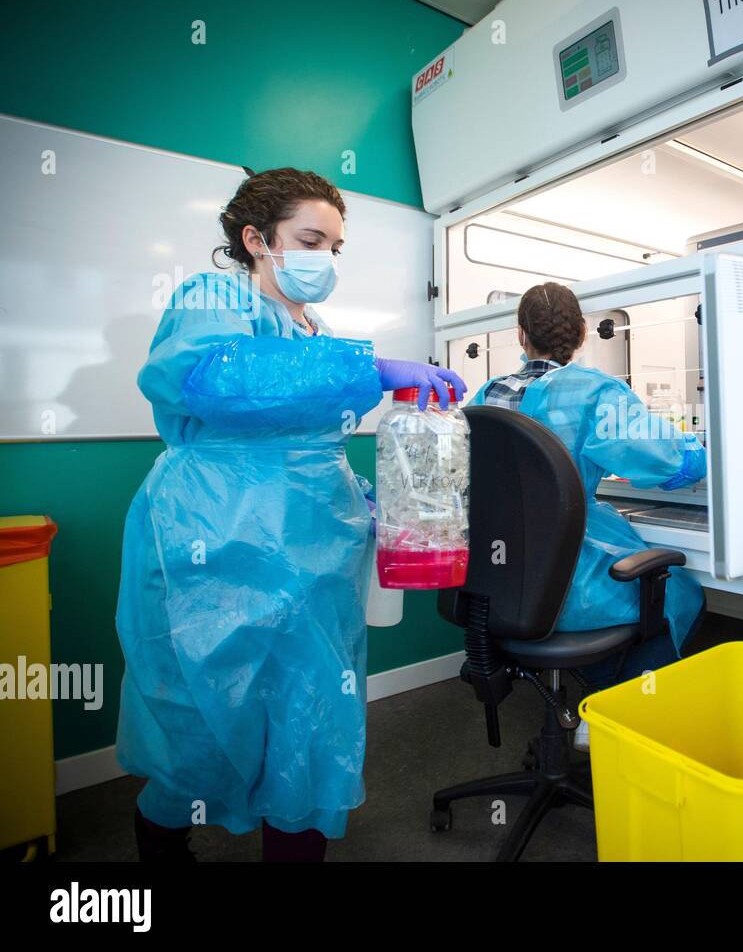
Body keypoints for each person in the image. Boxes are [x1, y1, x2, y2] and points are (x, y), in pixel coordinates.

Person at [116, 168, 465, 862]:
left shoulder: (316, 328)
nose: (325, 259)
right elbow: (213, 380)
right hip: (213, 542)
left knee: (309, 719)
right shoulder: (214, 296)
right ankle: (164, 844)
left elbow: (311, 438)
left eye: (336, 246)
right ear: (256, 238)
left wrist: (362, 498)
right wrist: (373, 370)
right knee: (202, 717)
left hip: (313, 551)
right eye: (311, 239)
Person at [472, 282, 707, 688]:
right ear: (581, 334)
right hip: (570, 580)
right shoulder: (595, 392)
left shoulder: (485, 395)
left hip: (499, 576)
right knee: (680, 593)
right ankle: (609, 708)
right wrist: (700, 452)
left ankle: (592, 695)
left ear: (520, 336)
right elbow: (665, 461)